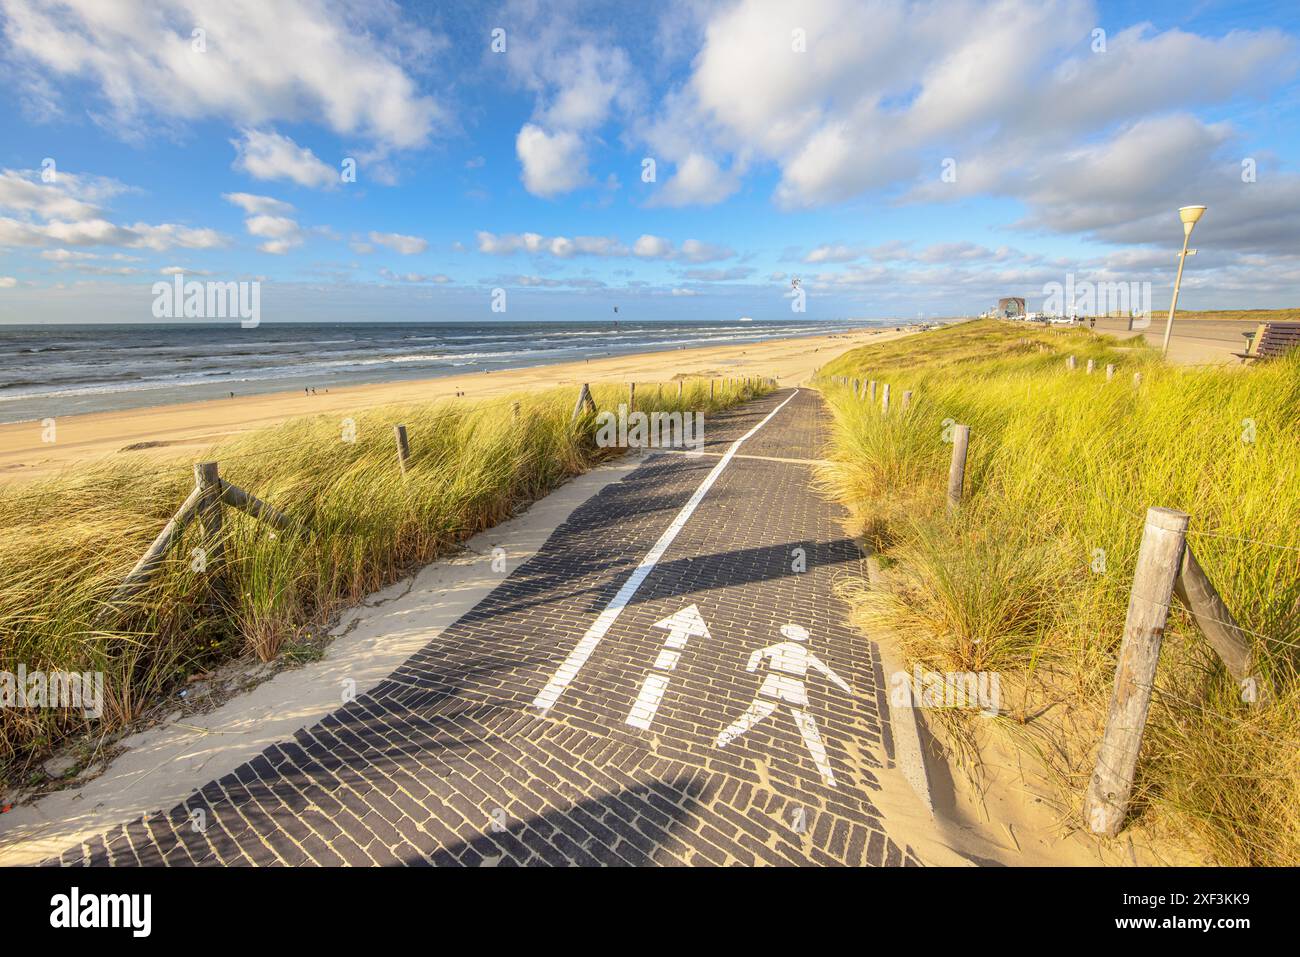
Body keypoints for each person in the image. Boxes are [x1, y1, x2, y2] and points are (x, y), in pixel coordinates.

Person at [715, 624, 852, 787]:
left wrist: (751, 668)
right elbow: (826, 671)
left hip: (773, 681)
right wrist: (846, 687)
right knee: (807, 725)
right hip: (795, 685)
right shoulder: (805, 653)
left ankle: (724, 737)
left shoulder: (782, 646)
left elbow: (757, 653)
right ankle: (826, 773)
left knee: (755, 712)